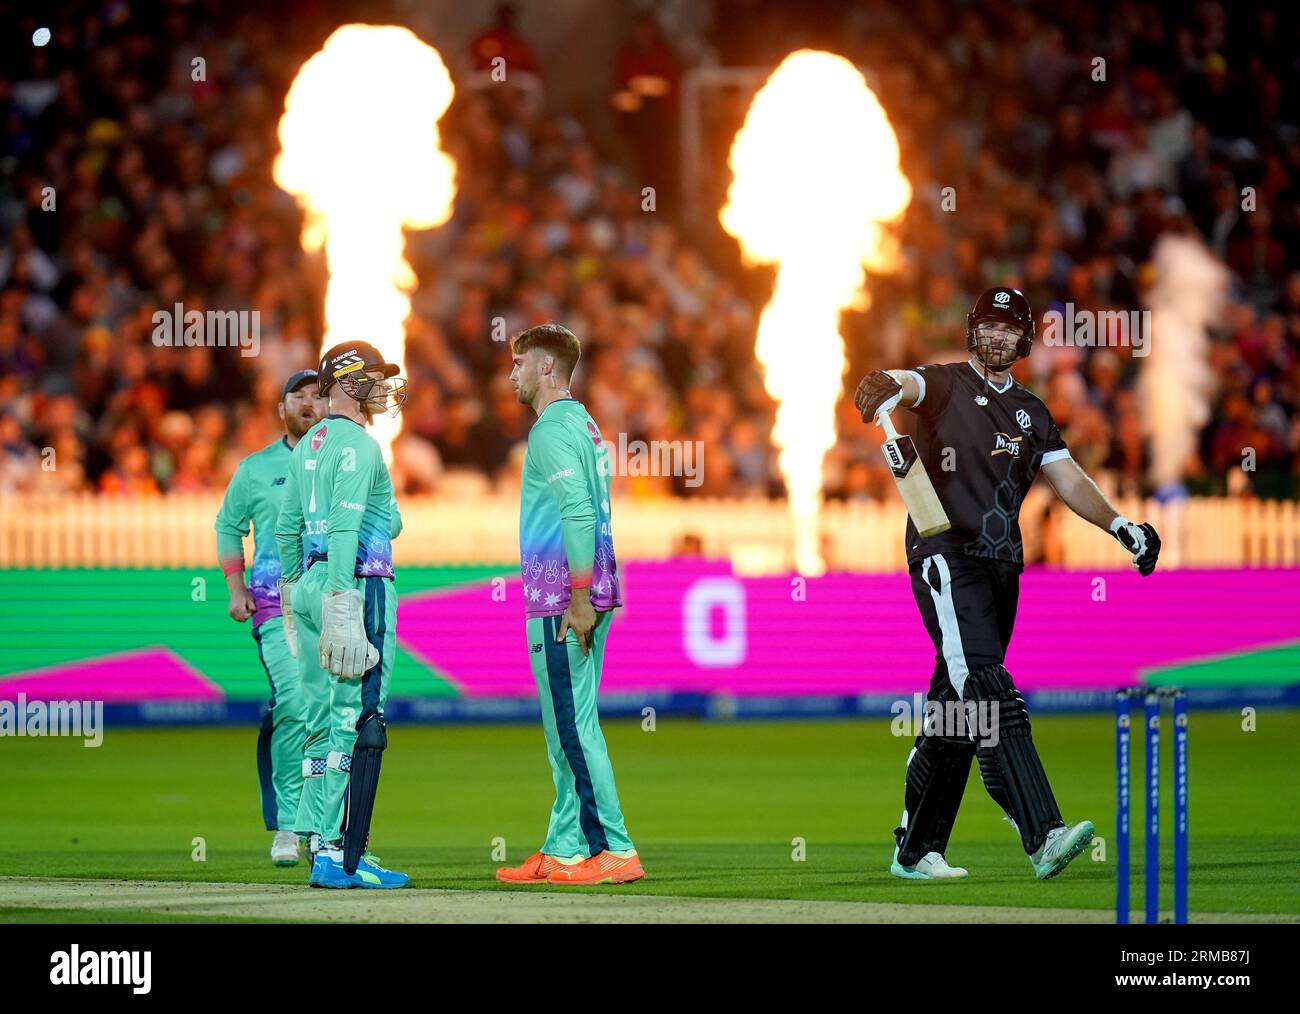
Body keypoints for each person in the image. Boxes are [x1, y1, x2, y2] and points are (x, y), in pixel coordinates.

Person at [853, 287, 1161, 881]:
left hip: (1002, 570)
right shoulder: (945, 384)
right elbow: (908, 384)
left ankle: (915, 850)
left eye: (1009, 329)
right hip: (946, 557)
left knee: (958, 712)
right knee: (991, 689)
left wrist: (1121, 526)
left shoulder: (1031, 411)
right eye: (989, 326)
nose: (997, 337)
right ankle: (1043, 834)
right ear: (974, 332)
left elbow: (1068, 481)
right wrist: (884, 382)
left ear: (1022, 342)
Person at [495, 323, 644, 886]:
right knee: (567, 727)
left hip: (561, 596)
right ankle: (562, 847)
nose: (512, 374)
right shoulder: (581, 423)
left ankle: (614, 848)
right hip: (578, 590)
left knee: (575, 729)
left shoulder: (551, 431)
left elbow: (579, 514)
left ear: (546, 369)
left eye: (518, 364)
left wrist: (578, 598)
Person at [275, 341, 408, 890]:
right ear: (349, 382)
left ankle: (322, 841)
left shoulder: (308, 444)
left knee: (322, 716)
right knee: (359, 719)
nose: (382, 389)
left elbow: (286, 527)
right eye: (374, 379)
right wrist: (341, 601)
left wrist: (291, 593)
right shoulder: (360, 444)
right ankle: (338, 852)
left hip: (310, 581)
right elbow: (353, 528)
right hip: (357, 584)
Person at [214, 369, 325, 867]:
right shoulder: (256, 469)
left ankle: (325, 829)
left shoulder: (344, 461)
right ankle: (286, 826)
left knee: (331, 714)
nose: (308, 403)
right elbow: (228, 526)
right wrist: (236, 589)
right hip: (276, 605)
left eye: (317, 396)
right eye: (297, 396)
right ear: (282, 408)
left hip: (333, 605)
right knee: (296, 702)